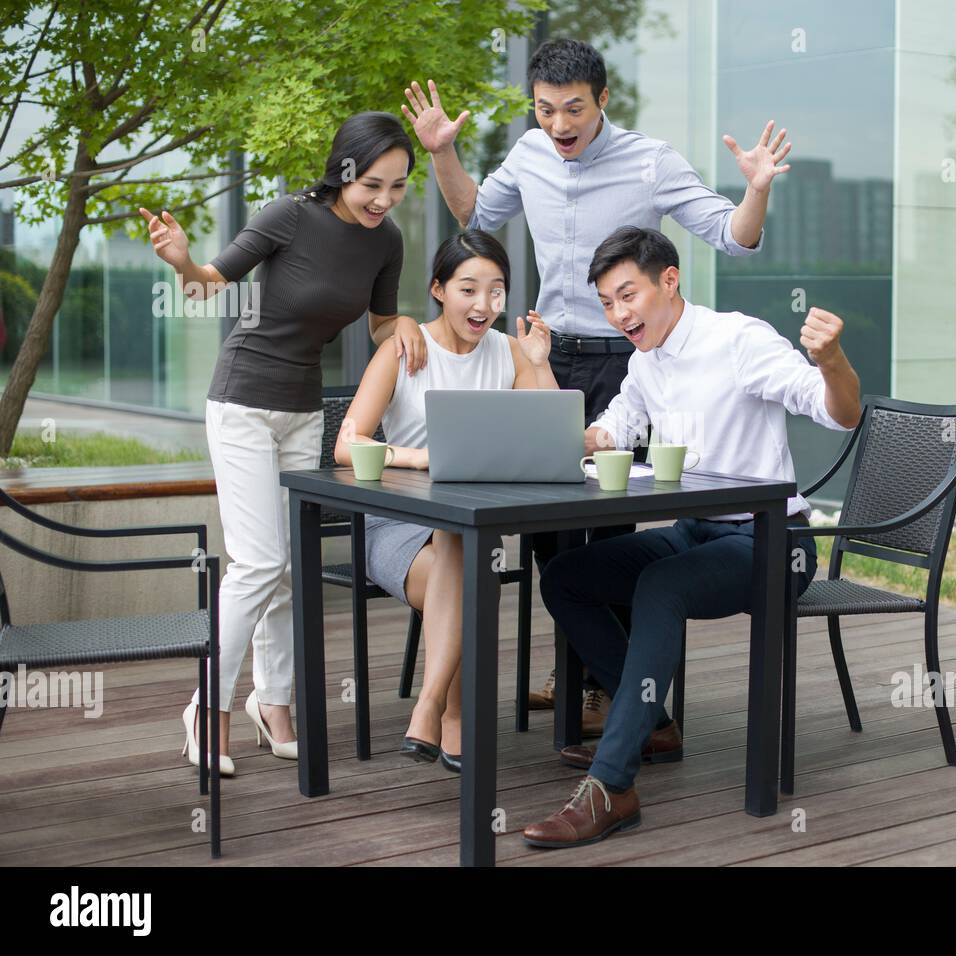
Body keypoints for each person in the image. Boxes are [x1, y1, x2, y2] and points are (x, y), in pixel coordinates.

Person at [402, 37, 795, 723]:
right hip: (550, 357)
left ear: (603, 100)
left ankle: (606, 690)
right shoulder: (528, 154)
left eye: (573, 109)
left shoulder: (651, 161)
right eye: (546, 110)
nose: (559, 126)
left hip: (627, 358)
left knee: (612, 522)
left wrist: (756, 189)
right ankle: (577, 668)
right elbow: (474, 214)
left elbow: (732, 235)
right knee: (549, 524)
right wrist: (441, 152)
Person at [521, 226, 862, 848]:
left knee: (658, 585)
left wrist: (832, 359)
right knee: (568, 576)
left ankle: (612, 785)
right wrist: (551, 409)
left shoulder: (738, 340)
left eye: (627, 295)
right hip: (695, 532)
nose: (619, 314)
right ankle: (649, 717)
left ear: (669, 281)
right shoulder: (645, 359)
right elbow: (612, 428)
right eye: (606, 302)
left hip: (772, 541)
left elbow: (839, 413)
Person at [140, 112, 429, 776]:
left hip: (302, 412)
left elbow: (383, 325)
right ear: (344, 170)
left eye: (399, 188)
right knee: (257, 564)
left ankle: (273, 706)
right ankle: (205, 709)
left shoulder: (384, 242)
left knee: (290, 568)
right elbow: (209, 285)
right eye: (373, 185)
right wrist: (182, 258)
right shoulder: (288, 217)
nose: (385, 200)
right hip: (242, 401)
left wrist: (406, 319)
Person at [334, 230, 556, 772]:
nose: (484, 305)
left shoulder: (509, 352)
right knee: (472, 558)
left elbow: (552, 438)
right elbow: (347, 444)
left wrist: (540, 362)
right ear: (438, 289)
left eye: (496, 291)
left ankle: (431, 704)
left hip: (467, 530)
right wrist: (420, 457)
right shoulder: (403, 348)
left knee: (464, 541)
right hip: (395, 527)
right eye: (468, 289)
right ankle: (451, 713)